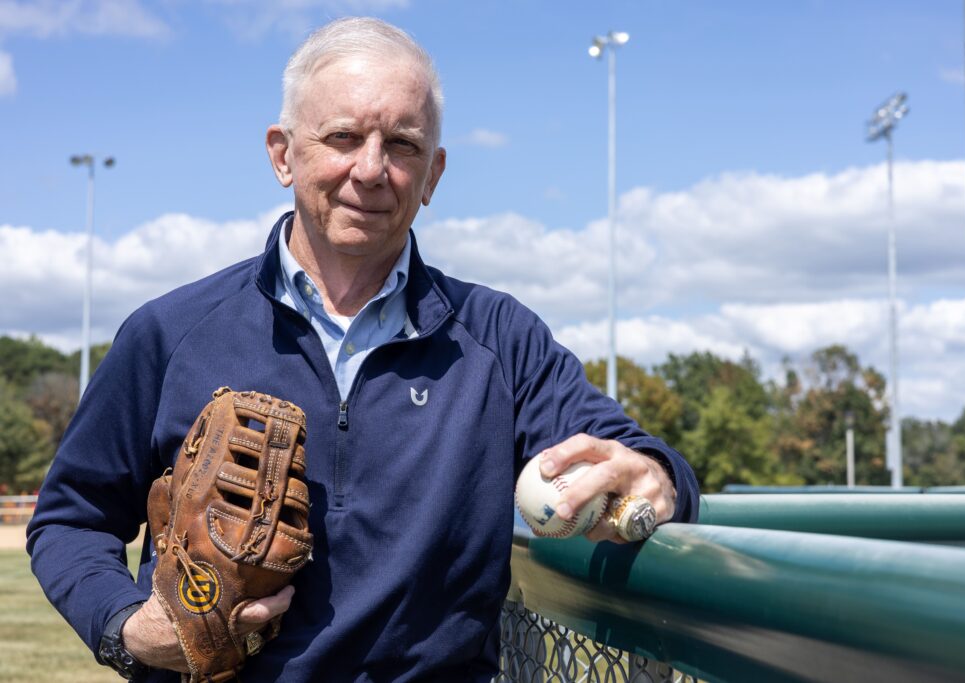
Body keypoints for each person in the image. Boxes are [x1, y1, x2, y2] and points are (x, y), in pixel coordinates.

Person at [28, 17, 699, 682]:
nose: (371, 169)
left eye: (403, 145)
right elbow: (70, 517)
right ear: (283, 153)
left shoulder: (499, 338)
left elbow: (634, 458)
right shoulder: (171, 333)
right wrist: (124, 628)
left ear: (433, 173)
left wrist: (655, 479)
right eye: (342, 137)